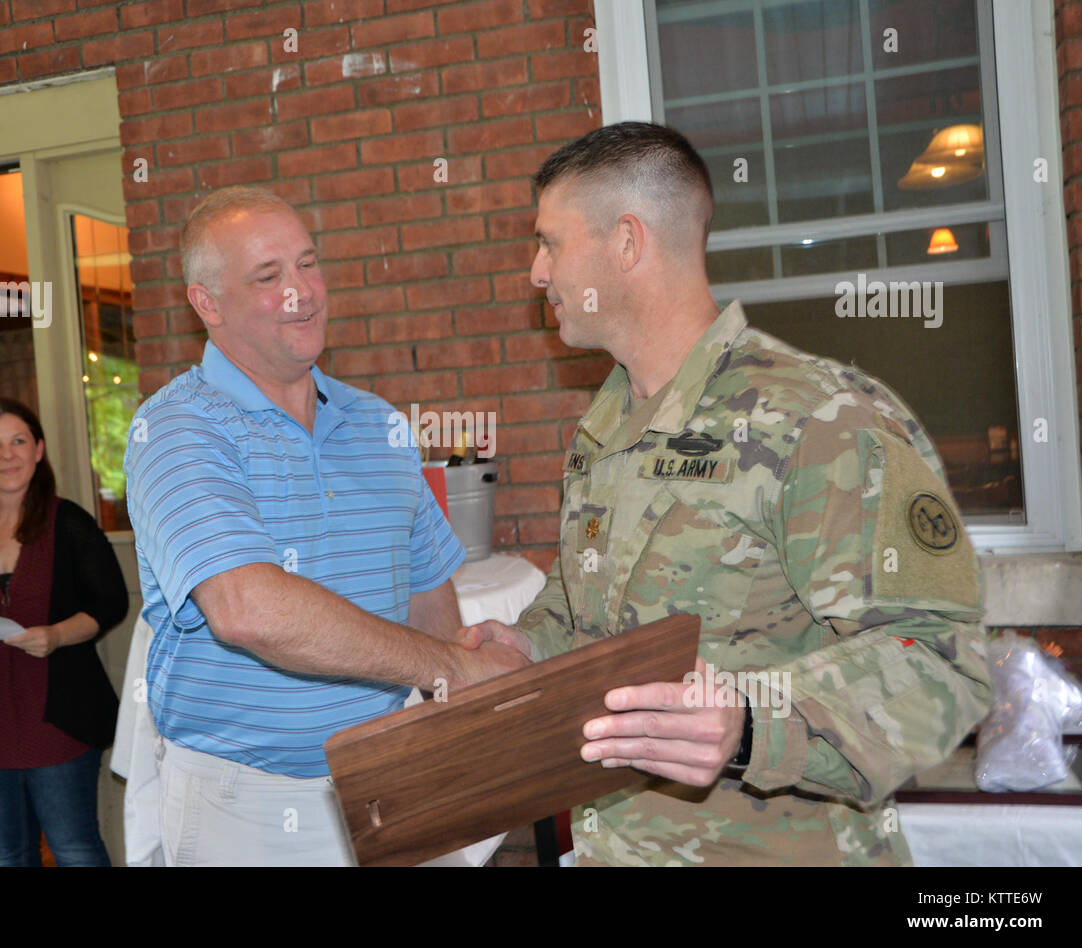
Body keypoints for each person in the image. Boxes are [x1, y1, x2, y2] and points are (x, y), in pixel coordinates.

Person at [467, 122, 994, 865]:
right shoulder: (603, 432)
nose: (536, 272)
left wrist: (749, 722)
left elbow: (944, 662)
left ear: (626, 242)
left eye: (550, 242)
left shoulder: (820, 419)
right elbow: (588, 609)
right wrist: (528, 641)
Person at [124, 186, 528, 866]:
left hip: (390, 775)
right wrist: (455, 667)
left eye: (308, 264)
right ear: (207, 304)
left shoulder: (377, 422)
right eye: (268, 275)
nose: (302, 292)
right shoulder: (175, 430)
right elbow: (247, 609)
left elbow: (428, 590)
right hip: (247, 805)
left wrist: (450, 722)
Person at [0, 398, 127, 866]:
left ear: (39, 450)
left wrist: (56, 635)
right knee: (8, 851)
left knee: (74, 846)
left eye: (18, 441)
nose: (7, 455)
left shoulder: (69, 523)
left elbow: (110, 602)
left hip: (59, 717)